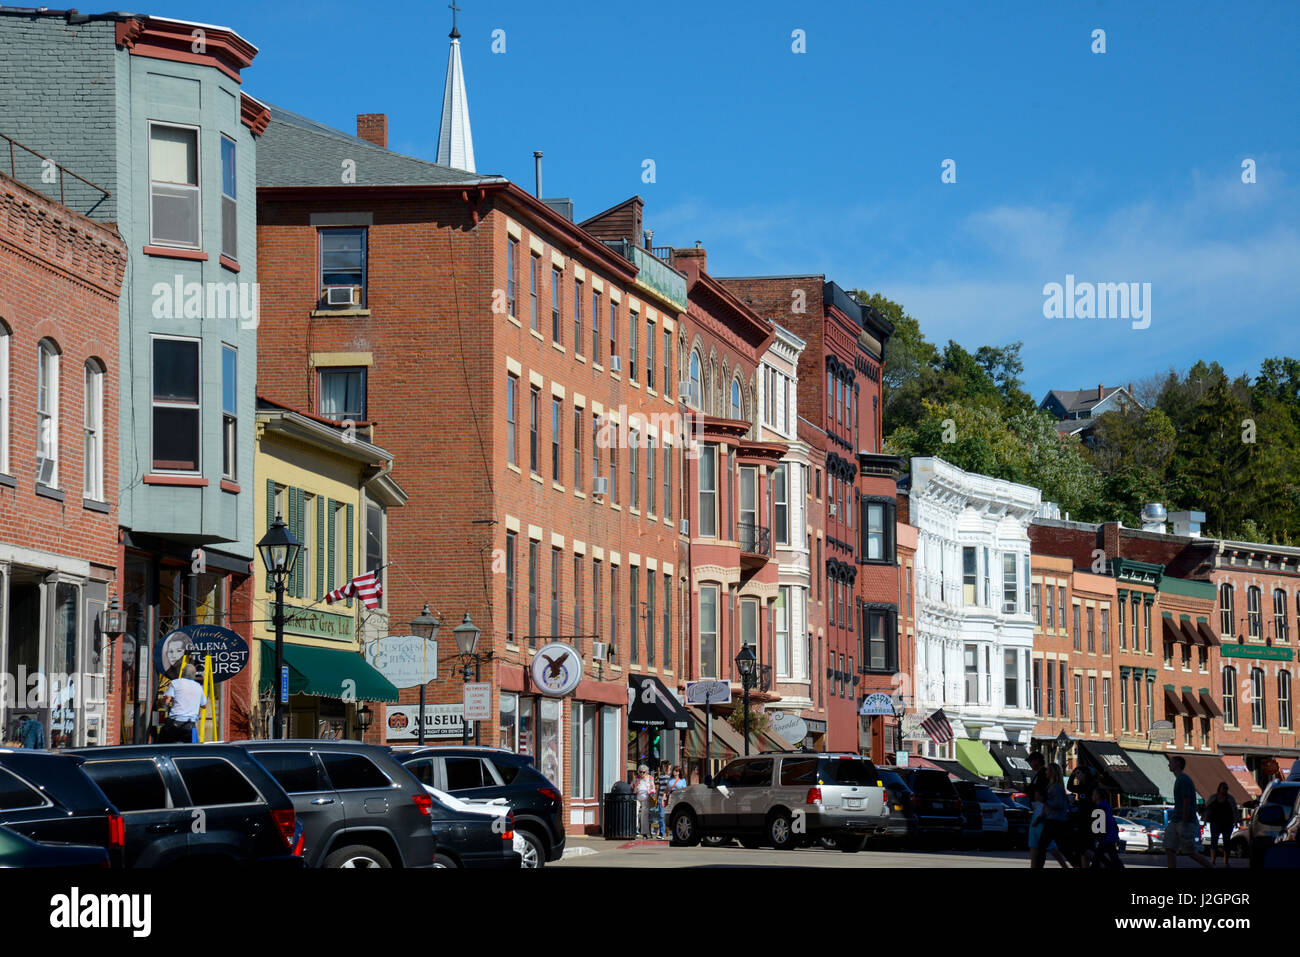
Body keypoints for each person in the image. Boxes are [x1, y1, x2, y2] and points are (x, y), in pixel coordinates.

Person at [1166, 755, 1212, 869]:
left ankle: (1210, 866)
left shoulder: (1184, 779)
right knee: (1169, 848)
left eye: (1171, 762)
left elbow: (1186, 800)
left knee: (1189, 851)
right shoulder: (1179, 779)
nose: (1168, 764)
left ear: (1178, 764)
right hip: (1175, 820)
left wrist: (1184, 821)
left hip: (1184, 821)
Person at [162, 664, 206, 743]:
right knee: (190, 748)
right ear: (194, 675)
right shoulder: (198, 686)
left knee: (167, 746)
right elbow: (204, 705)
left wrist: (160, 703)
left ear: (183, 672)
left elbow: (167, 700)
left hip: (175, 722)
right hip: (190, 724)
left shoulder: (175, 683)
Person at [1203, 781, 1238, 868]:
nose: (1226, 790)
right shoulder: (1213, 798)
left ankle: (1226, 862)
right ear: (1219, 789)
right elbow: (1207, 808)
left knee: (1227, 842)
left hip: (1228, 824)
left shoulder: (1230, 799)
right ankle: (1213, 861)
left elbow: (1235, 810)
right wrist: (1205, 820)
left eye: (1227, 788)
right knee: (1213, 841)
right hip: (1215, 823)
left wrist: (1236, 821)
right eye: (1224, 788)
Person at [1090, 786, 1124, 869]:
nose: (1092, 796)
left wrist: (1097, 836)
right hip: (1109, 836)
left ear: (1098, 796)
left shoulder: (1101, 807)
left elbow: (1100, 824)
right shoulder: (1106, 805)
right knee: (1108, 858)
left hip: (1105, 838)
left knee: (1098, 859)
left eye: (1093, 794)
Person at [633, 765, 654, 839]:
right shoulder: (636, 779)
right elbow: (631, 788)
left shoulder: (650, 778)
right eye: (640, 772)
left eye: (643, 772)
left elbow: (653, 789)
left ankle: (644, 832)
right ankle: (636, 829)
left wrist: (650, 794)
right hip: (637, 798)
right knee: (635, 813)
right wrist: (635, 788)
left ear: (646, 772)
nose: (641, 773)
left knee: (644, 815)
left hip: (646, 798)